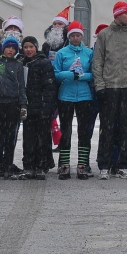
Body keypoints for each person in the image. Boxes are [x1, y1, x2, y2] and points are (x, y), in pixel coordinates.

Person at [92, 1, 127, 180]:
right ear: (118, 14)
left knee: (126, 128)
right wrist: (100, 85)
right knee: (107, 127)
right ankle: (104, 165)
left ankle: (124, 165)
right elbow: (98, 61)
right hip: (109, 87)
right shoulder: (104, 35)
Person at [53, 22, 95, 180]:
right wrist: (70, 74)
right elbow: (56, 73)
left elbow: (94, 74)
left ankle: (82, 165)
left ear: (82, 36)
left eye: (78, 35)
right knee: (66, 130)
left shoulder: (88, 53)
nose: (76, 38)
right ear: (69, 37)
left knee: (84, 132)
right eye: (73, 35)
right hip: (66, 96)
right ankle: (64, 165)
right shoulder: (62, 53)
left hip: (84, 96)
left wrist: (82, 76)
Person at [0, 37, 27, 180]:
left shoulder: (18, 65)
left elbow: (21, 87)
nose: (10, 50)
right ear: (3, 48)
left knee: (11, 138)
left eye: (13, 48)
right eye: (8, 47)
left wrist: (23, 105)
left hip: (13, 104)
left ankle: (8, 166)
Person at [21, 36, 56, 180]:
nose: (28, 50)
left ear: (36, 47)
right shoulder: (22, 63)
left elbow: (49, 88)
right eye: (25, 47)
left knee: (43, 138)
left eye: (31, 47)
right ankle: (29, 166)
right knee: (28, 138)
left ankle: (41, 165)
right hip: (28, 107)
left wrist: (46, 107)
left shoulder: (44, 63)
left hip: (41, 107)